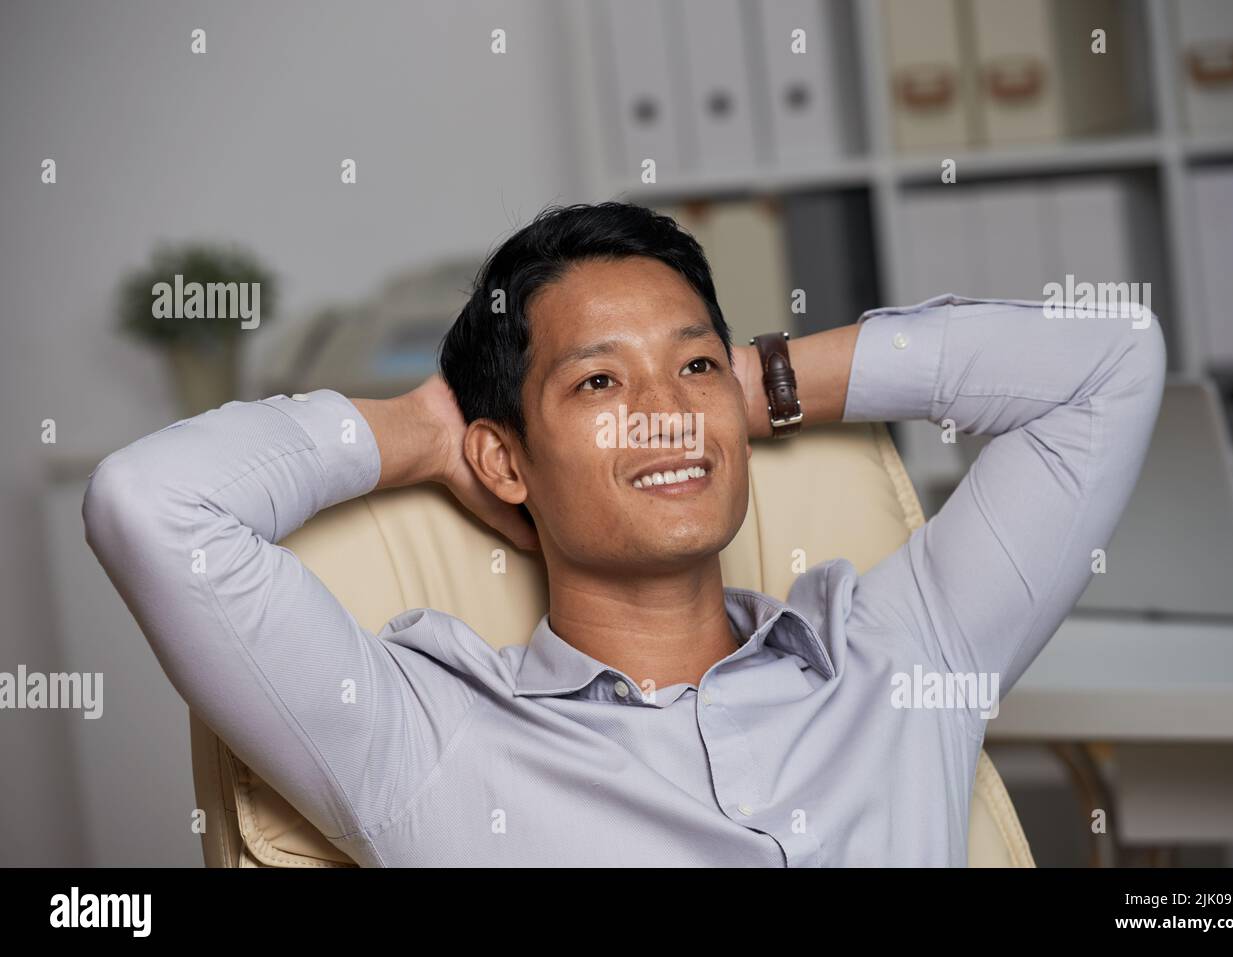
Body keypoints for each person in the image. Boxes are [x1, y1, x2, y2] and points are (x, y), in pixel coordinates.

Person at [83, 201, 1166, 866]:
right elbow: (150, 505)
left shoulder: (904, 651)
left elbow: (1108, 363)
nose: (663, 410)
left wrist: (752, 381)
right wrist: (425, 429)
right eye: (598, 380)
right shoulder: (426, 739)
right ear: (505, 459)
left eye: (693, 365)